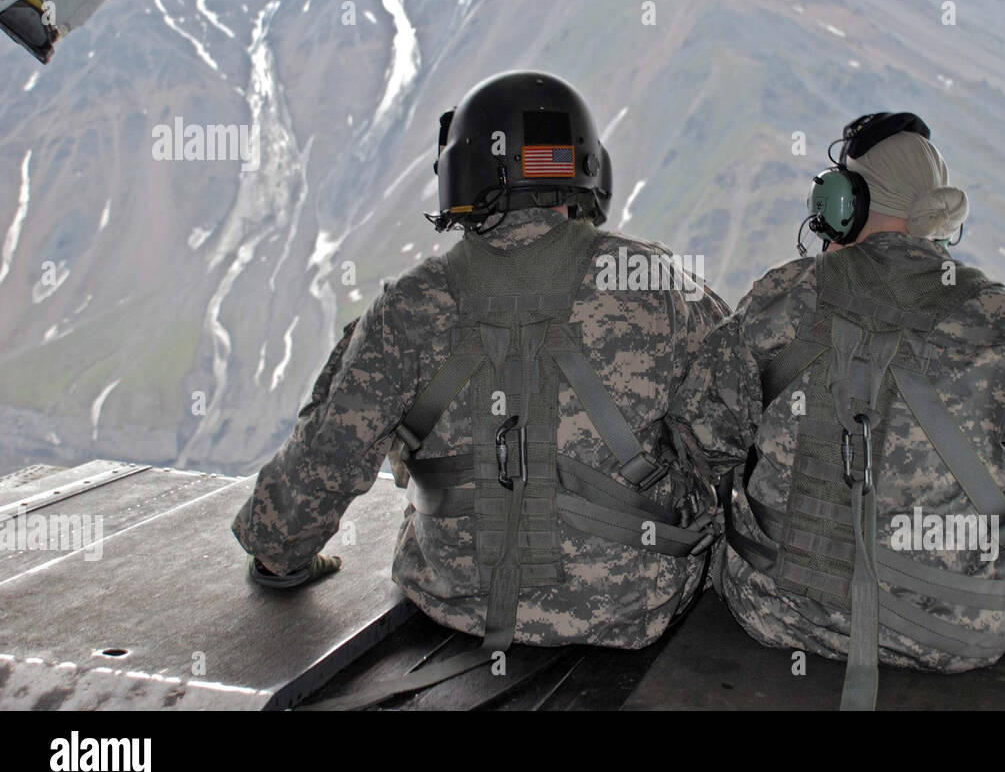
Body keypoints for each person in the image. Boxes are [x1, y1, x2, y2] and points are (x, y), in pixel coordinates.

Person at [232, 70, 728, 709]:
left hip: (452, 601)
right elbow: (733, 435)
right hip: (633, 610)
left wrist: (278, 556)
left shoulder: (408, 304)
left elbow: (327, 456)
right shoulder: (661, 285)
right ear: (585, 170)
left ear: (461, 174)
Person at [667, 111, 1005, 709]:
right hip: (959, 642)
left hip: (777, 615)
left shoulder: (783, 298)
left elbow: (698, 437)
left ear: (846, 203)